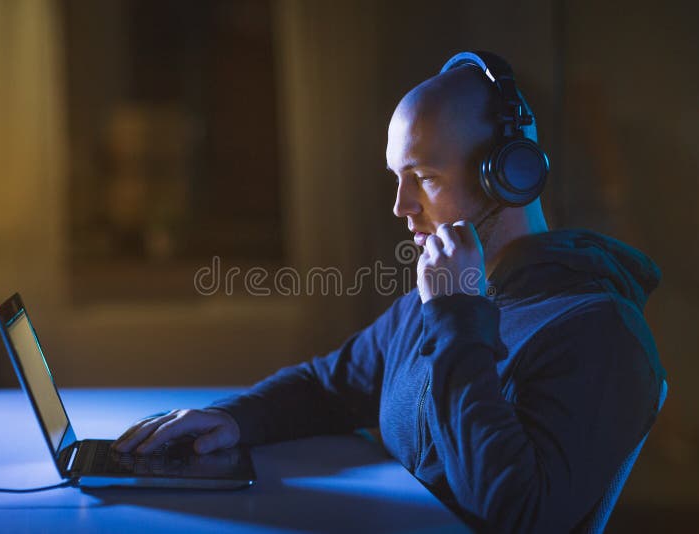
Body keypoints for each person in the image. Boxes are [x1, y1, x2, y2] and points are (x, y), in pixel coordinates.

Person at [113, 51, 666, 532]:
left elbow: (512, 511)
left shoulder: (596, 332)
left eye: (423, 177)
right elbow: (329, 386)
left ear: (510, 175)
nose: (401, 207)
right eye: (395, 177)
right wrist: (233, 419)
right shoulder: (443, 299)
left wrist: (456, 315)